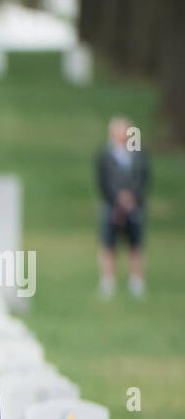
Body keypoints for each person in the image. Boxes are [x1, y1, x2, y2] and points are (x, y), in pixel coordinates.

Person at [96, 116, 149, 298]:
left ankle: (136, 280)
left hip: (134, 207)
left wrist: (132, 198)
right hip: (112, 206)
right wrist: (117, 198)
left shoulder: (138, 155)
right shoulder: (105, 155)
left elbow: (143, 179)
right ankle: (108, 280)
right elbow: (103, 181)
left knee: (135, 244)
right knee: (109, 244)